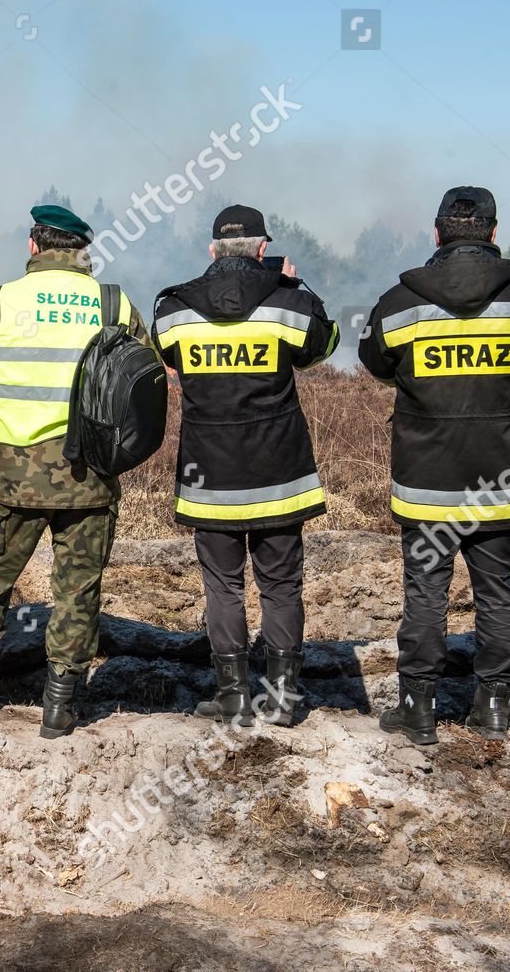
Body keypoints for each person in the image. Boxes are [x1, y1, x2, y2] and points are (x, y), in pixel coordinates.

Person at [361, 186, 510, 745]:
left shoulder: (398, 304)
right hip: (500, 481)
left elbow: (380, 370)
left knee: (425, 592)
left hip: (425, 484)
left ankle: (417, 709)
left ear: (437, 234)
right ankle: (494, 709)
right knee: (498, 590)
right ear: (494, 232)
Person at [0, 204, 152, 739]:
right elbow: (142, 379)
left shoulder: (5, 299)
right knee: (77, 589)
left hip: (13, 476)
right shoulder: (113, 302)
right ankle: (59, 705)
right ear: (83, 251)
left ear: (34, 247)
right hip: (90, 477)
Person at [152, 205, 338, 727]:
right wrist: (297, 288)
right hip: (280, 476)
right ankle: (282, 699)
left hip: (208, 477)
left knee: (223, 587)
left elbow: (166, 357)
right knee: (281, 586)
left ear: (212, 250)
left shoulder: (173, 310)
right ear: (263, 250)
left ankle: (233, 696)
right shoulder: (288, 303)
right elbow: (323, 346)